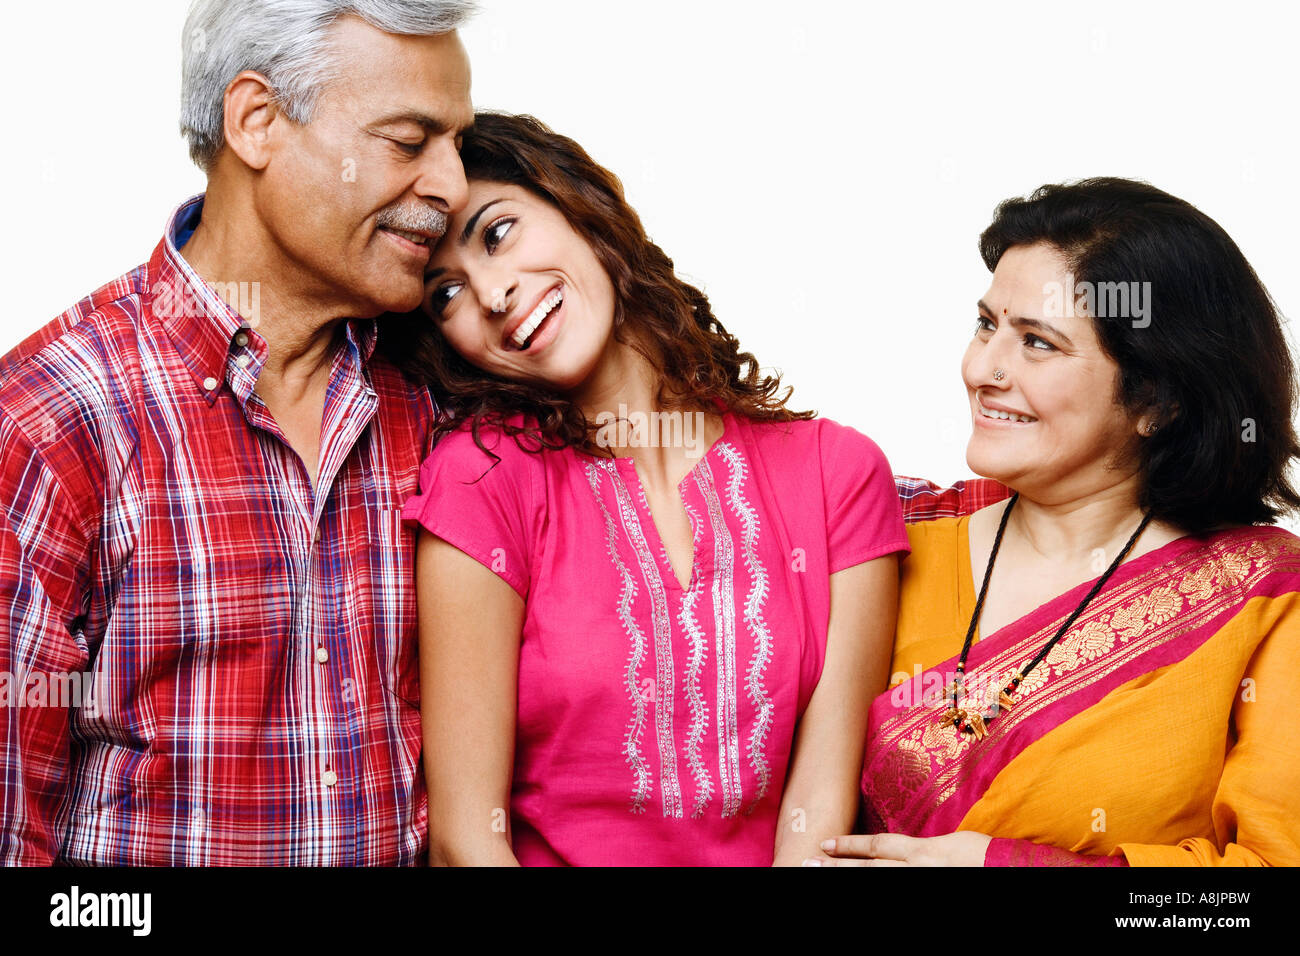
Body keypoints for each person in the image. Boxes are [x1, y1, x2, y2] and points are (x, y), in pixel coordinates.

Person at [0, 0, 476, 865]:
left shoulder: (437, 395)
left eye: (456, 145)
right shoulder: (54, 420)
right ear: (257, 122)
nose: (452, 185)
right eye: (410, 142)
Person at [386, 112, 909, 865]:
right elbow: (468, 843)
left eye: (497, 234)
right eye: (446, 295)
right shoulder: (482, 479)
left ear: (582, 209)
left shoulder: (839, 474)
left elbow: (818, 818)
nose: (494, 294)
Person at [813, 178, 1300, 867]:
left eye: (1037, 343)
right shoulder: (892, 536)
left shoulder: (1265, 597)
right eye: (987, 325)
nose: (983, 369)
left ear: (1156, 399)